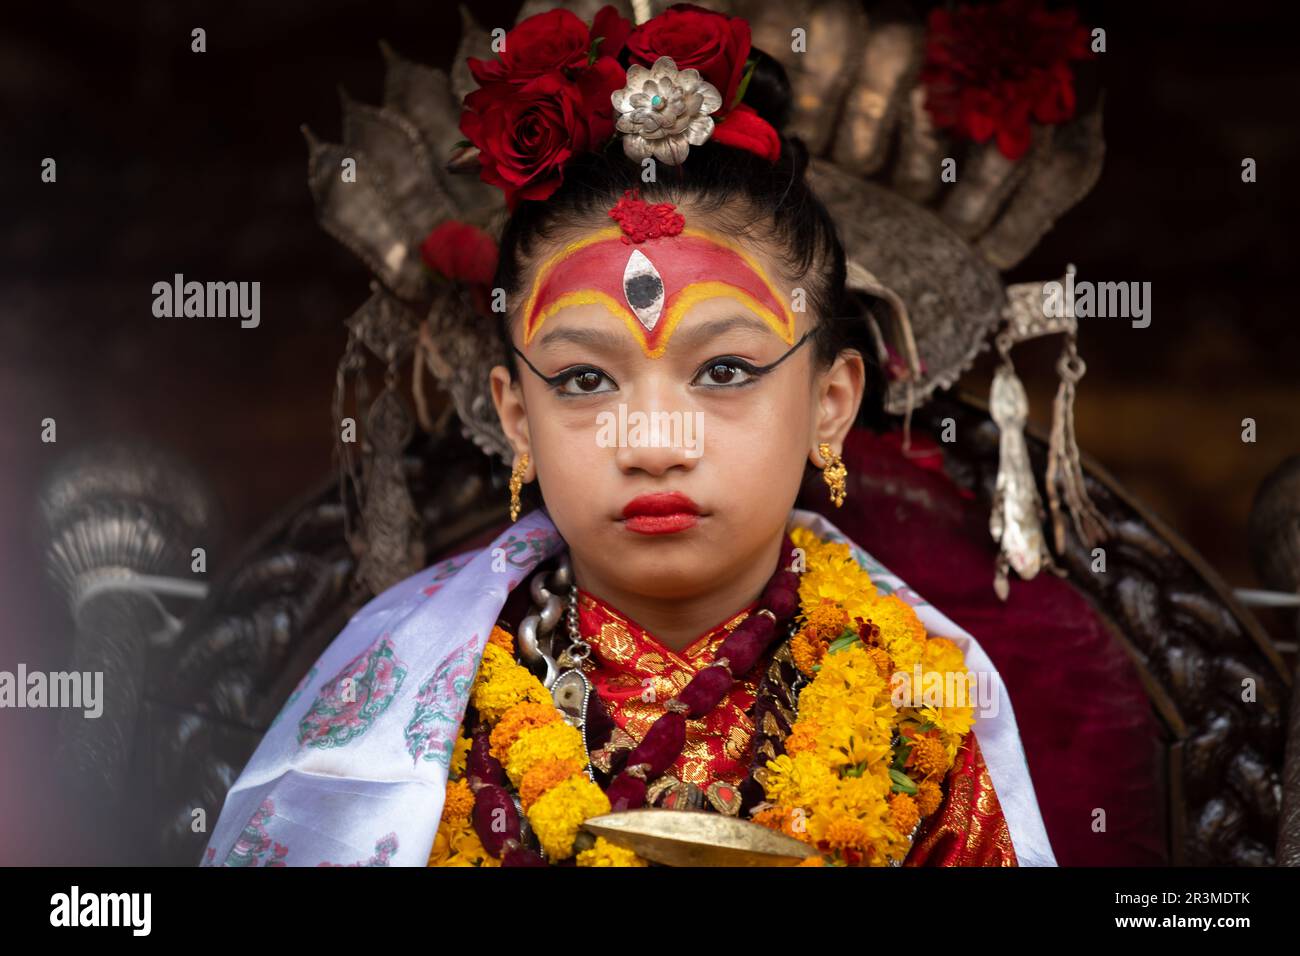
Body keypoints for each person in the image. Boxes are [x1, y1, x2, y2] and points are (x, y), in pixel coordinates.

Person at [201, 3, 1055, 868]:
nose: (652, 442)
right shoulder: (411, 707)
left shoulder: (918, 702)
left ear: (828, 403)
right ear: (516, 416)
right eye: (583, 380)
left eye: (724, 371)